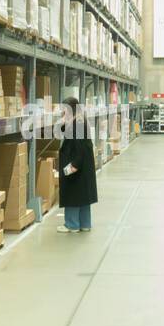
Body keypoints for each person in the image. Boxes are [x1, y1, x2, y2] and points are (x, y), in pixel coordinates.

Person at [57, 96, 98, 232]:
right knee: (83, 197)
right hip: (84, 169)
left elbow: (79, 150)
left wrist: (71, 168)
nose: (62, 113)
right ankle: (85, 224)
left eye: (64, 111)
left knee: (73, 195)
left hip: (77, 167)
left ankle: (72, 224)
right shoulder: (79, 122)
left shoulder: (77, 125)